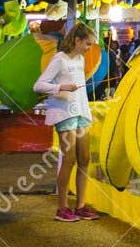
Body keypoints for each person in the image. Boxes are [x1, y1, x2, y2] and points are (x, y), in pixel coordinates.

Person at [34, 22, 99, 221]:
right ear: (77, 40)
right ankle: (62, 207)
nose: (89, 48)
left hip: (81, 111)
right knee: (69, 160)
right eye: (87, 44)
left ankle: (80, 205)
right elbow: (38, 85)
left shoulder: (80, 59)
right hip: (64, 113)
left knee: (85, 159)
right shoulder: (59, 59)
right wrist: (61, 87)